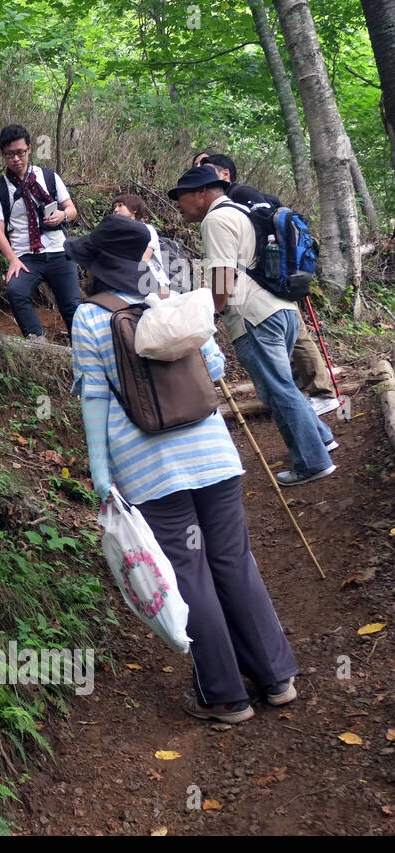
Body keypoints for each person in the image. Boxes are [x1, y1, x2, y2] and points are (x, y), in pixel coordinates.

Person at [69, 213, 299, 724]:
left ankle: (223, 695)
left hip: (148, 468)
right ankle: (276, 678)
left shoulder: (89, 317)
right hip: (214, 455)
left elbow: (95, 398)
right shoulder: (174, 302)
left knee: (189, 573)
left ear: (98, 265)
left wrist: (101, 476)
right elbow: (214, 368)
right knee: (233, 560)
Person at [170, 164, 336, 485]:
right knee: (282, 384)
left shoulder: (216, 220)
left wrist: (210, 314)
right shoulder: (241, 213)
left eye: (182, 196)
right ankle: (322, 437)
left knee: (277, 388)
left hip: (254, 315)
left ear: (202, 193)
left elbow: (223, 277)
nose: (179, 203)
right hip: (282, 308)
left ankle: (312, 461)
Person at [194, 151, 338, 416]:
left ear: (224, 174)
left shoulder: (238, 194)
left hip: (267, 275)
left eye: (204, 167)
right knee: (292, 334)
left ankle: (321, 393)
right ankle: (300, 393)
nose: (198, 173)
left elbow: (262, 230)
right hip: (269, 274)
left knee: (297, 337)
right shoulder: (239, 197)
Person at [0, 124, 80, 342]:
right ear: (3, 155)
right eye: (10, 154)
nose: (16, 159)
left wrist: (62, 216)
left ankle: (82, 349)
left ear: (29, 149)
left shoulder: (48, 177)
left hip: (58, 250)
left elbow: (71, 209)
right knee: (16, 291)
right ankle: (38, 343)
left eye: (20, 152)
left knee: (71, 306)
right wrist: (12, 259)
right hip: (25, 255)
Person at [110, 193, 169, 298]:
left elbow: (143, 260)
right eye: (114, 207)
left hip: (155, 284)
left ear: (134, 210)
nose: (115, 210)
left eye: (120, 205)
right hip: (131, 281)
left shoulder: (147, 230)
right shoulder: (117, 234)